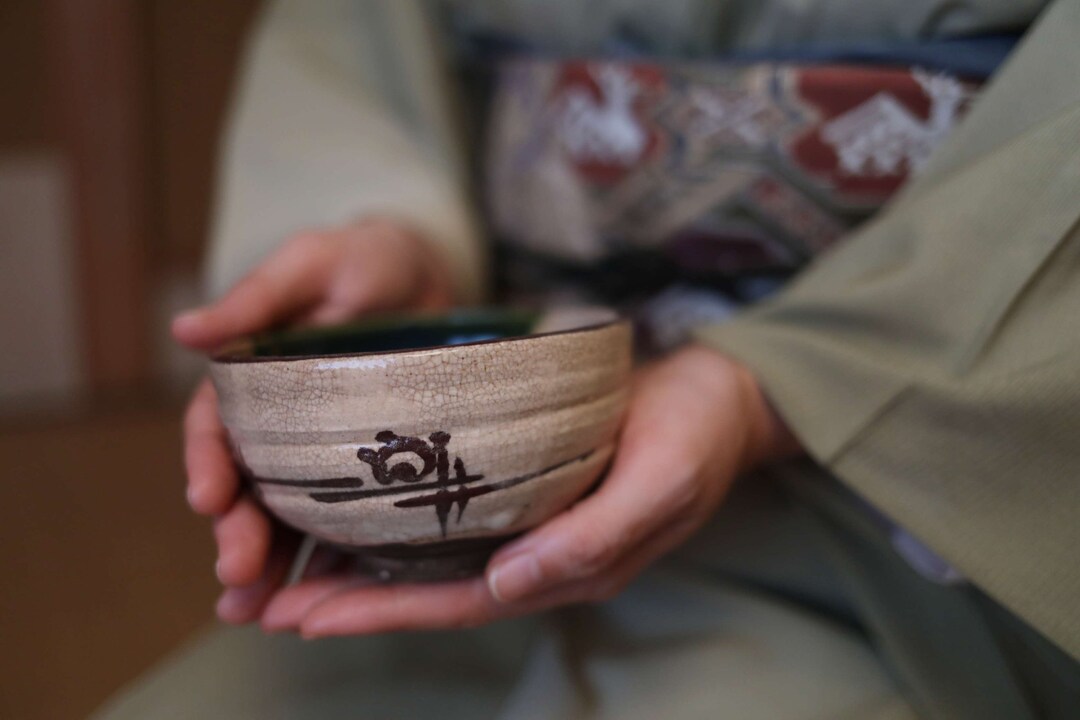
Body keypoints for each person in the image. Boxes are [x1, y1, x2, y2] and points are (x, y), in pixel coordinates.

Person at [96, 1, 1079, 718]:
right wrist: (395, 235)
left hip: (924, 508)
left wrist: (768, 385)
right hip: (513, 475)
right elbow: (362, 44)